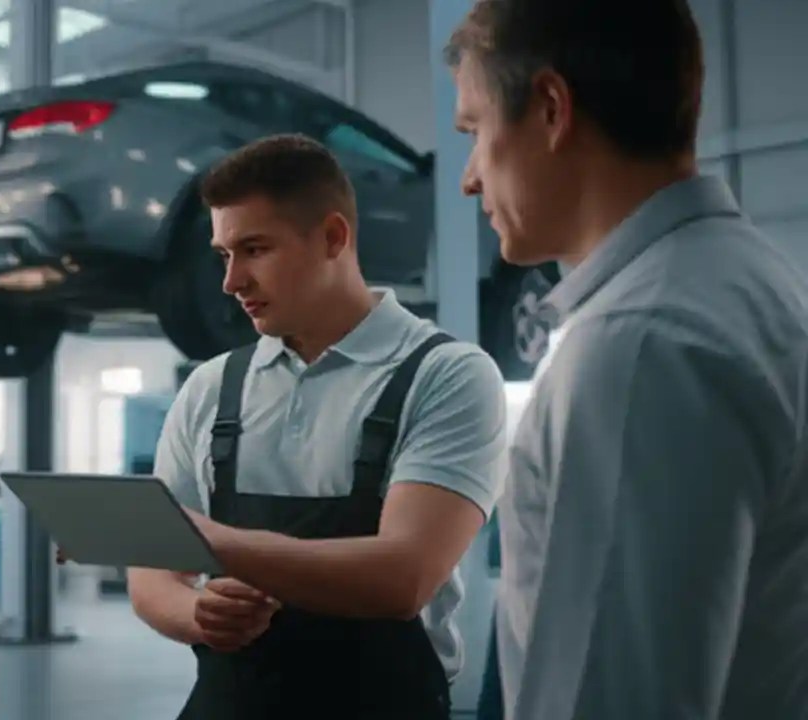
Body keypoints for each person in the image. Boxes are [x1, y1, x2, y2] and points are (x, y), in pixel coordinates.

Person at [442, 1, 808, 718]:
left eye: (476, 131)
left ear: (551, 108)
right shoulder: (746, 282)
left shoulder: (640, 345)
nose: (469, 177)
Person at [126, 133, 509, 719]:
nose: (232, 282)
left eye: (254, 249)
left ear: (334, 237)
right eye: (224, 255)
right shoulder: (211, 388)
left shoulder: (447, 377)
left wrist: (207, 539)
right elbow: (152, 574)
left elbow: (401, 578)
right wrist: (197, 615)